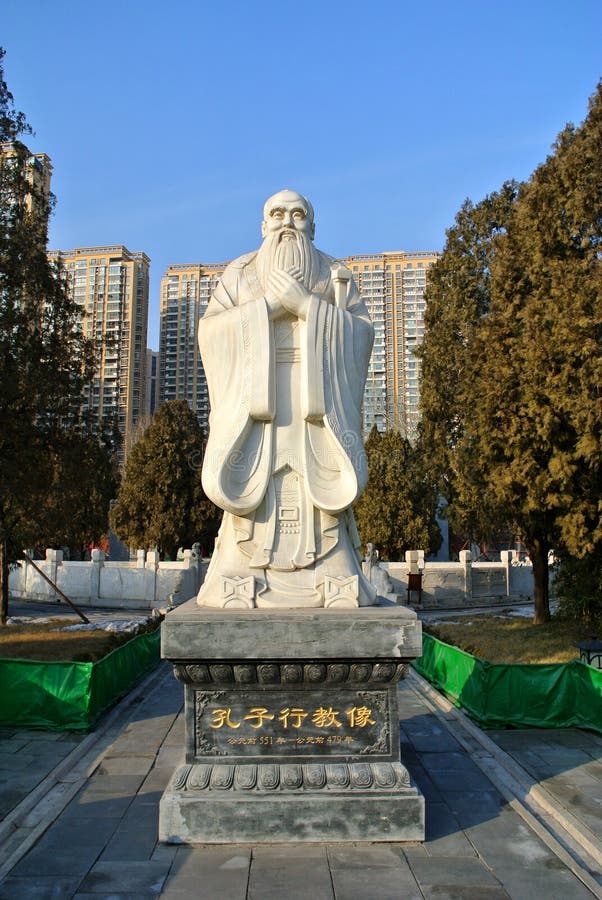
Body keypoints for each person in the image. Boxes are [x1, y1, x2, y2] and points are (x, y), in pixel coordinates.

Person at [197, 190, 376, 608]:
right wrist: (269, 307)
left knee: (320, 489)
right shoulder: (239, 274)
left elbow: (362, 333)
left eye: (298, 215)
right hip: (256, 414)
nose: (287, 223)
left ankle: (334, 576)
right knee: (254, 489)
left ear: (312, 226)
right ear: (263, 225)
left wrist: (309, 307)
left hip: (315, 408)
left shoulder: (335, 274)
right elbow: (210, 333)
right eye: (277, 215)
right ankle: (238, 576)